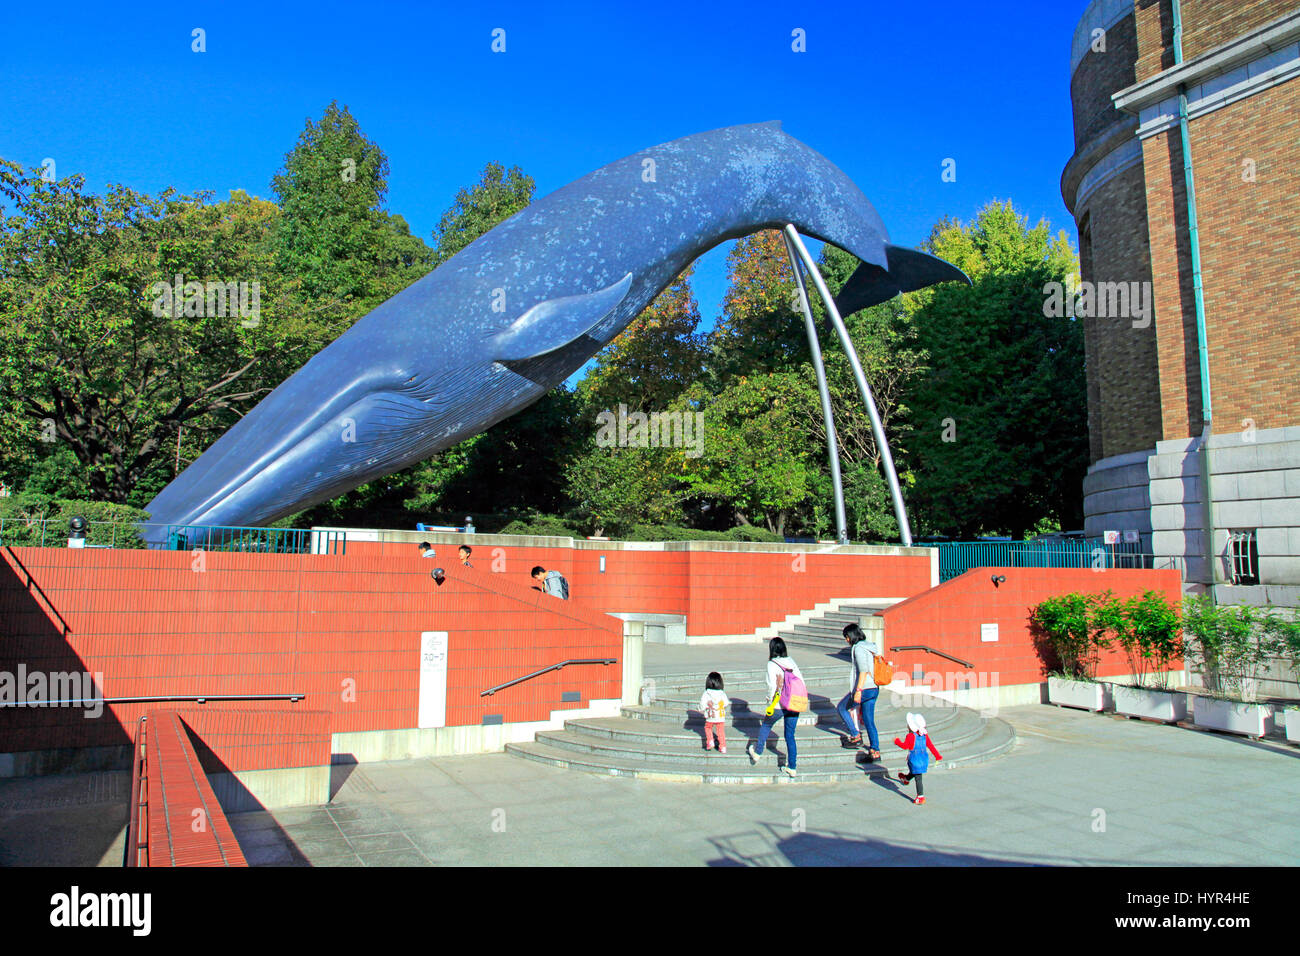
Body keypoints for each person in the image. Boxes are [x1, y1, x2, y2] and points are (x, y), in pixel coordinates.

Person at [747, 637, 803, 778]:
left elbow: (772, 686)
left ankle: (758, 752)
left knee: (766, 725)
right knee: (790, 735)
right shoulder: (791, 661)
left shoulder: (771, 664)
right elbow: (801, 680)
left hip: (778, 703)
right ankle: (792, 767)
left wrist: (770, 703)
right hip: (794, 703)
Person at [839, 623, 881, 761]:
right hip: (874, 687)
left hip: (865, 688)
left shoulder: (859, 649)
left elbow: (863, 670)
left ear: (851, 636)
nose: (846, 640)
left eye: (846, 637)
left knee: (842, 708)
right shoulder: (870, 646)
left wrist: (858, 691)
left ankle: (855, 736)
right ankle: (875, 751)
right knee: (869, 721)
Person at [895, 712, 942, 805]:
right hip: (924, 759)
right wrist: (937, 755)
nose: (907, 725)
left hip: (915, 760)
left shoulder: (910, 736)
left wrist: (897, 741)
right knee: (916, 773)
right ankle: (906, 778)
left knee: (918, 778)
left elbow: (904, 746)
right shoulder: (924, 734)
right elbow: (930, 745)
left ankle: (920, 797)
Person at [698, 672, 730, 754]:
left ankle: (710, 741)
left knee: (708, 727)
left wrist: (701, 709)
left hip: (710, 715)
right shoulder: (722, 693)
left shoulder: (706, 693)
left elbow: (702, 703)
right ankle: (722, 746)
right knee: (720, 731)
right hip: (720, 715)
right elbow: (726, 703)